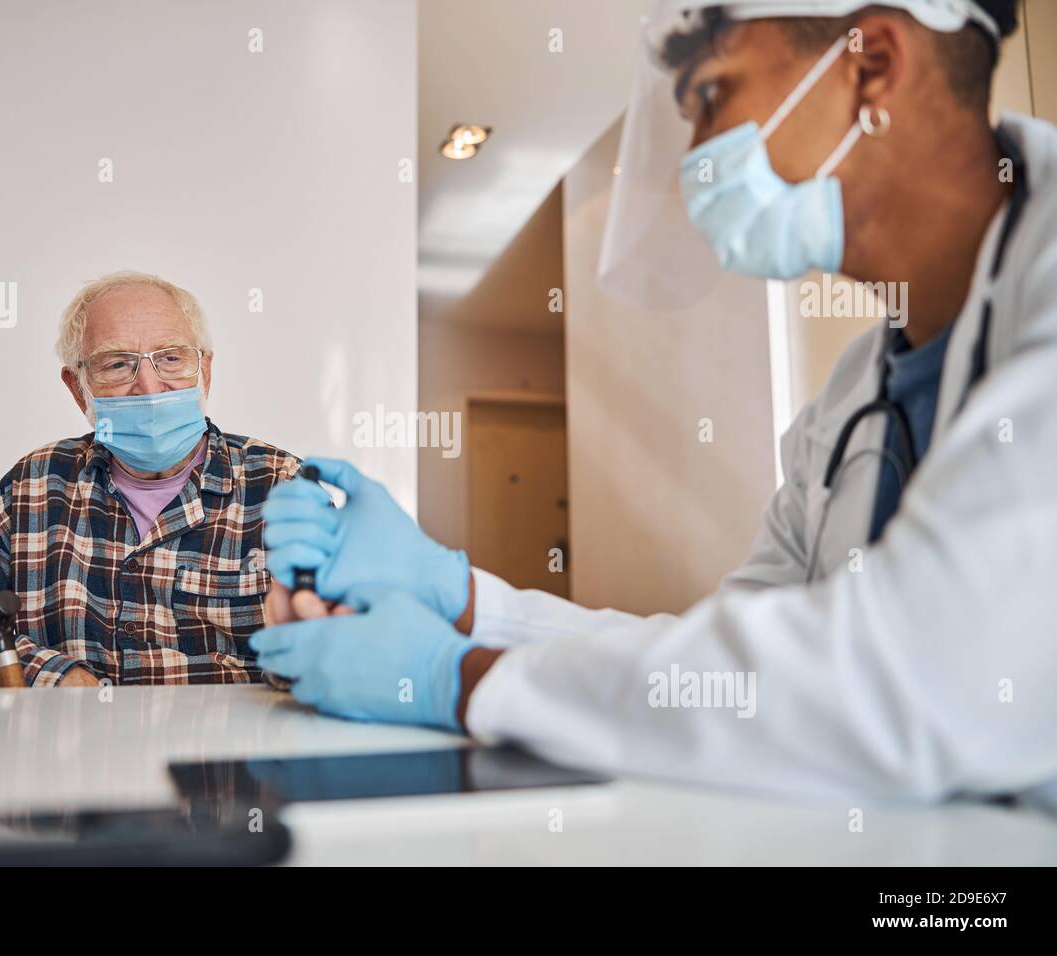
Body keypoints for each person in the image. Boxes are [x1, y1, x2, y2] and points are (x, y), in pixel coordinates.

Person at [251, 0, 1057, 804]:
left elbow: (916, 684)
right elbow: (724, 667)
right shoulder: (852, 396)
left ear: (873, 64)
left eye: (711, 96)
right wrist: (461, 601)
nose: (696, 155)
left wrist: (455, 677)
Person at [0, 271, 302, 687]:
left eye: (171, 357)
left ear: (205, 371)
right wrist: (51, 677)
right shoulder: (28, 489)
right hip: (72, 751)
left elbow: (335, 655)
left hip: (227, 751)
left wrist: (308, 651)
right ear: (78, 387)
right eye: (117, 364)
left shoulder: (281, 486)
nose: (149, 387)